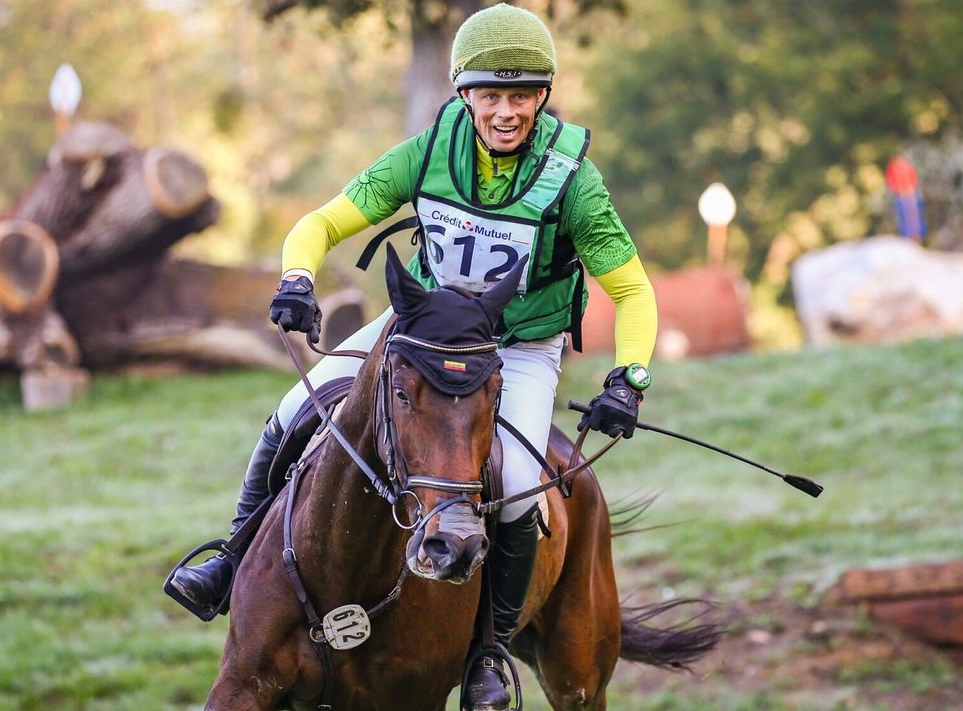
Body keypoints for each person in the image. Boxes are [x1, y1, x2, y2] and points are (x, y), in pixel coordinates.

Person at [168, 4, 657, 709]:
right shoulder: (427, 153)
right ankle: (230, 560)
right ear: (465, 94)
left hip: (512, 348)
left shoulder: (574, 181)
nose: (507, 112)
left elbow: (633, 290)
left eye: (522, 95)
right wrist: (298, 277)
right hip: (419, 329)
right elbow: (322, 222)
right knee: (287, 411)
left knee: (520, 481)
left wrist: (630, 377)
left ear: (543, 96)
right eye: (491, 94)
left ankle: (487, 650)